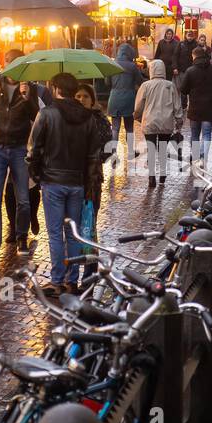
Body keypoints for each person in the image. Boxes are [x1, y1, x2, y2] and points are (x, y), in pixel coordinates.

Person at [28, 73, 104, 296]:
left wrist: (37, 174)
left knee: (54, 233)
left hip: (53, 181)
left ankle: (57, 279)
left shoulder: (47, 113)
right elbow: (93, 155)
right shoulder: (88, 117)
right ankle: (72, 280)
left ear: (55, 89)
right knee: (73, 233)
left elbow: (34, 149)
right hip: (77, 182)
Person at [0, 57, 39, 258]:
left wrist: (27, 97)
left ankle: (21, 238)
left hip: (20, 148)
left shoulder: (30, 88)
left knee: (23, 198)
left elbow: (36, 116)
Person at [74, 84, 111, 254]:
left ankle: (89, 251)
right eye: (78, 96)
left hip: (92, 175)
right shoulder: (69, 118)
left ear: (92, 99)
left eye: (85, 96)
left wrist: (94, 158)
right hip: (72, 174)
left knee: (90, 212)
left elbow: (108, 148)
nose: (81, 99)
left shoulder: (99, 119)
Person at [133, 58, 180, 189]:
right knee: (163, 149)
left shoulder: (146, 85)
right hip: (166, 123)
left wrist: (137, 116)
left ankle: (151, 177)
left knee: (151, 150)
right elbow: (177, 105)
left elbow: (138, 106)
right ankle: (163, 175)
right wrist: (179, 120)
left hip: (150, 122)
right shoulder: (170, 85)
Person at [179, 46, 212, 168]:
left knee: (194, 134)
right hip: (209, 107)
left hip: (194, 107)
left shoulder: (190, 70)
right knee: (206, 134)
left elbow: (183, 89)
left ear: (194, 56)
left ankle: (195, 157)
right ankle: (203, 158)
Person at [107, 42, 145, 161]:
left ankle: (113, 153)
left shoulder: (112, 64)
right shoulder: (132, 66)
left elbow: (107, 83)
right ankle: (130, 152)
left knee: (115, 128)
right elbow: (140, 81)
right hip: (129, 98)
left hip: (114, 97)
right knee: (129, 127)